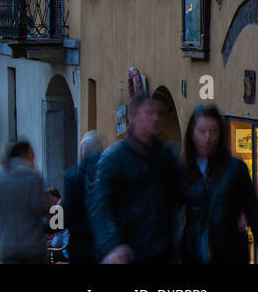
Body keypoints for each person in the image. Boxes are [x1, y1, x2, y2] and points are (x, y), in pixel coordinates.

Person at [90, 93, 183, 264]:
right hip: (127, 252)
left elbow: (181, 196)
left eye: (159, 114)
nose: (155, 119)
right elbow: (101, 206)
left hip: (163, 251)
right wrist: (113, 245)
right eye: (148, 114)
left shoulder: (166, 157)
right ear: (132, 117)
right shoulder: (115, 159)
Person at [181, 104, 258, 264]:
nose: (208, 137)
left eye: (214, 131)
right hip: (194, 253)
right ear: (192, 133)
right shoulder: (182, 170)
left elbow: (253, 212)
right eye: (202, 131)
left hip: (230, 253)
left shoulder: (235, 169)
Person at [0, 139, 49, 263]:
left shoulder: (0, 180)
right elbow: (39, 208)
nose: (34, 158)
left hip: (7, 246)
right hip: (31, 245)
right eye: (32, 154)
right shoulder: (33, 178)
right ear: (24, 154)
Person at [62, 130, 104, 263]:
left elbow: (66, 214)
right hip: (104, 244)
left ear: (83, 152)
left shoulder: (72, 178)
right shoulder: (109, 174)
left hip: (80, 245)